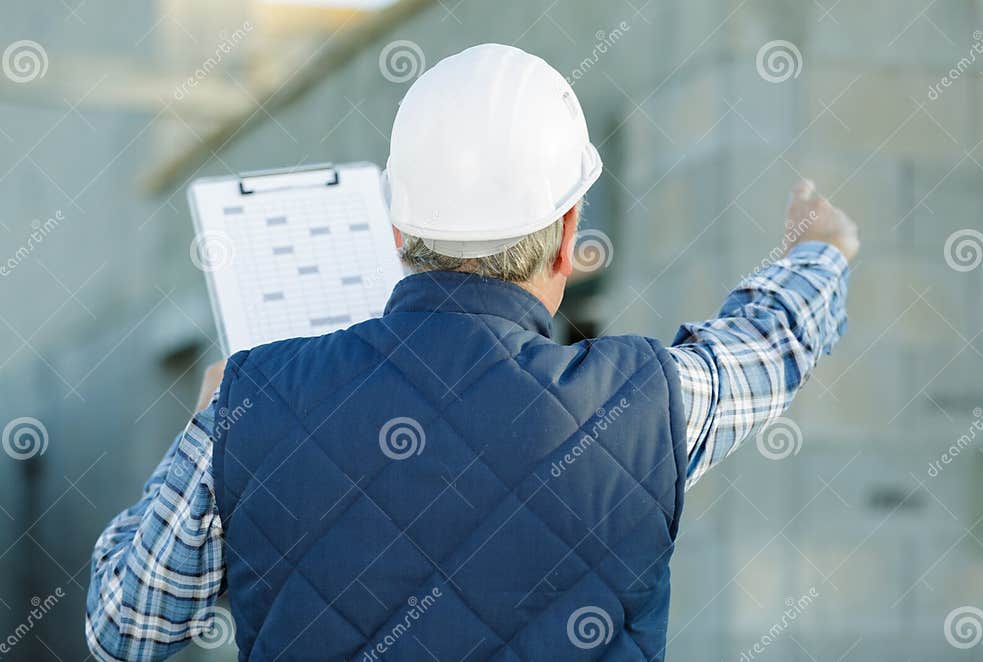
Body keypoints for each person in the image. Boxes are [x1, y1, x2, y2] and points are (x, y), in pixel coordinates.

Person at [86, 43, 857, 661]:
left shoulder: (250, 402)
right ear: (567, 231)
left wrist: (211, 428)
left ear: (396, 230)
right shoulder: (642, 404)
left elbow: (125, 624)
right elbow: (766, 346)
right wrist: (820, 253)